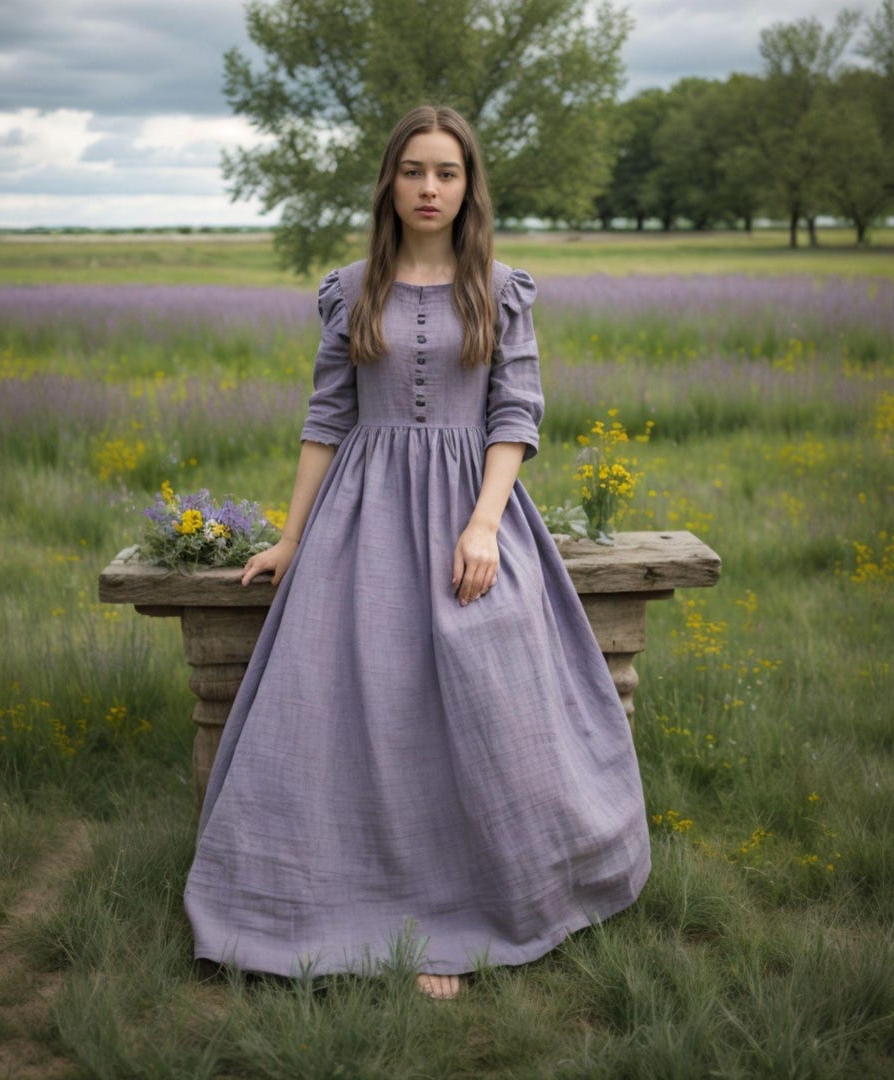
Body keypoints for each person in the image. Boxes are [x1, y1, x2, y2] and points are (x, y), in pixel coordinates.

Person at [184, 104, 650, 1001]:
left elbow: (514, 417)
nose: (429, 188)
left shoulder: (500, 289)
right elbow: (328, 419)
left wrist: (483, 523)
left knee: (490, 697)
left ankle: (471, 911)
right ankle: (333, 907)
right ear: (389, 184)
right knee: (356, 707)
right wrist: (289, 537)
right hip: (359, 521)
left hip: (475, 513)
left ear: (468, 186)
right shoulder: (350, 289)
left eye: (446, 172)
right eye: (412, 172)